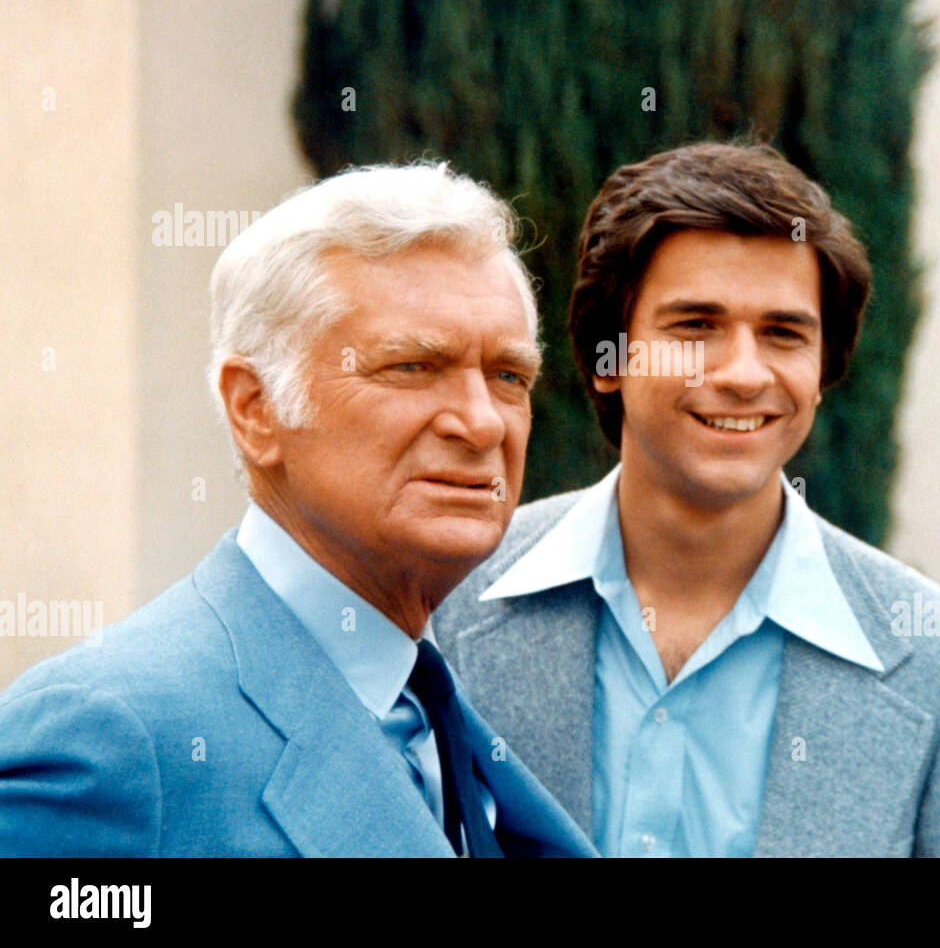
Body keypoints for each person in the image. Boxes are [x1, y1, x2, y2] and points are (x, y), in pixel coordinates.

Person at [434, 142, 940, 857]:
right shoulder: (446, 597)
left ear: (822, 373)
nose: (745, 373)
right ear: (608, 359)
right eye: (695, 326)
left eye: (784, 333)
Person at [0, 163, 596, 858]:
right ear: (256, 409)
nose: (482, 422)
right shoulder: (107, 738)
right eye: (410, 366)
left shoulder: (445, 715)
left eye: (508, 376)